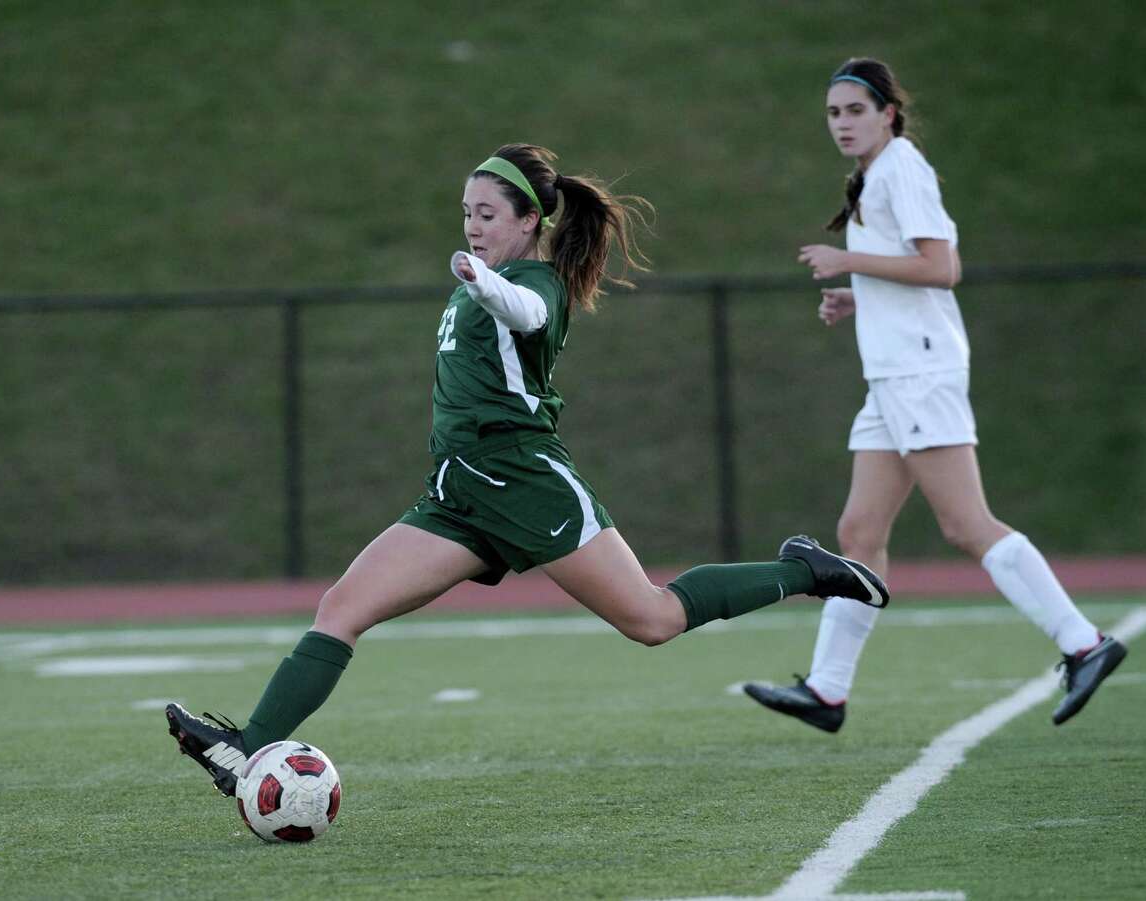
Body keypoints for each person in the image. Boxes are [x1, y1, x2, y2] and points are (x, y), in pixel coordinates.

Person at [166, 143, 890, 795]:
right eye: (466, 213)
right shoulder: (484, 277)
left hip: (523, 481)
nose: (472, 226)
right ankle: (248, 748)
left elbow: (526, 315)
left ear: (530, 221)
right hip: (459, 494)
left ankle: (803, 570)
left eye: (487, 214)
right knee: (341, 609)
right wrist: (480, 280)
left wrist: (486, 283)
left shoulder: (533, 283)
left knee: (651, 618)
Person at [744, 59, 1126, 734]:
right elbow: (914, 272)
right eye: (833, 113)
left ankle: (1084, 643)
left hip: (920, 374)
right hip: (892, 377)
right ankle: (827, 691)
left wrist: (848, 261)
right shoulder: (877, 175)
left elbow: (942, 267)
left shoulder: (902, 168)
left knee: (966, 525)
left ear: (888, 113)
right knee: (860, 533)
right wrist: (858, 296)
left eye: (855, 110)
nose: (842, 123)